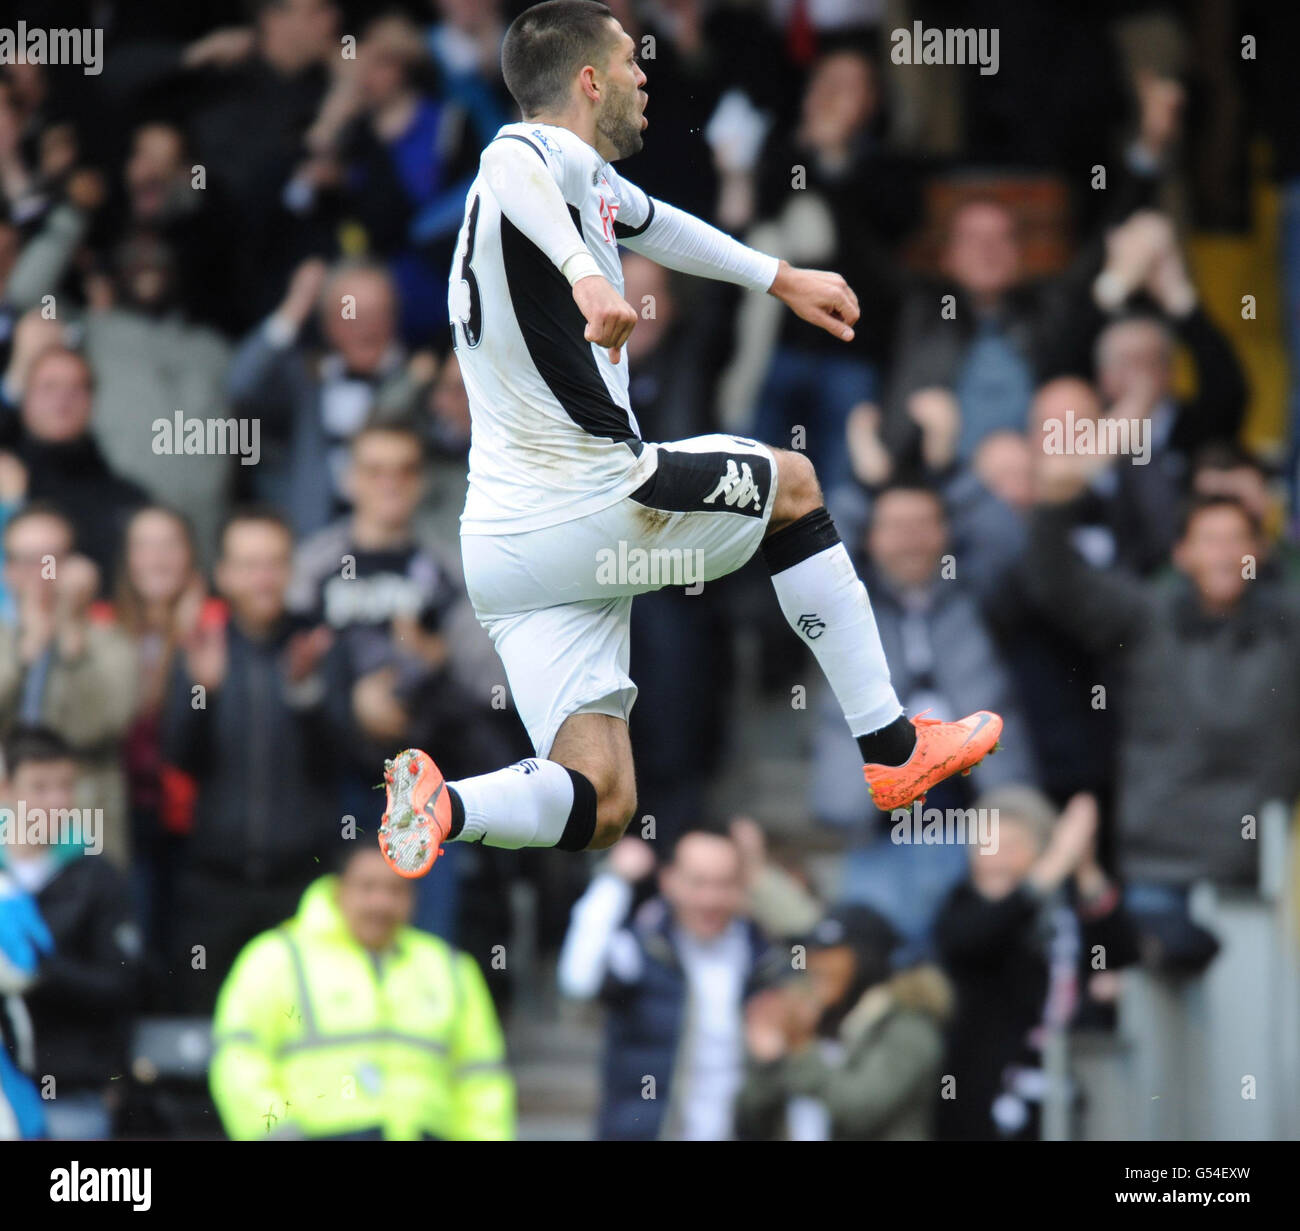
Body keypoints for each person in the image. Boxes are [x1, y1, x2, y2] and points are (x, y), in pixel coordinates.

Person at [378, 0, 1003, 880]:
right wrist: (587, 277)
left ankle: (447, 806)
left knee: (604, 799)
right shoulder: (531, 155)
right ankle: (894, 745)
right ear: (589, 79)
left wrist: (778, 276)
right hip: (586, 501)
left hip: (506, 553)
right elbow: (509, 163)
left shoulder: (581, 181)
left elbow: (659, 222)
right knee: (794, 483)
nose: (645, 76)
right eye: (632, 61)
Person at [209, 842, 513, 1140]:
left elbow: (482, 1083)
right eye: (367, 887)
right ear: (338, 890)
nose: (381, 903)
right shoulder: (276, 957)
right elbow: (239, 1060)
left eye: (396, 890)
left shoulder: (451, 968)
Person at [557, 828, 776, 1140]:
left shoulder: (762, 957)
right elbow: (578, 981)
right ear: (668, 880)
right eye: (698, 882)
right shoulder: (641, 948)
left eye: (725, 883)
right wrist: (613, 881)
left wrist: (760, 869)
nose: (710, 899)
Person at [0, 726, 143, 1140]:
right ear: (6, 789)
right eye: (40, 788)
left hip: (71, 1092)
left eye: (65, 787)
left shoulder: (99, 877)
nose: (56, 802)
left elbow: (121, 985)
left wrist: (41, 974)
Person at [736, 905, 952, 1141]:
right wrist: (770, 1062)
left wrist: (799, 1050)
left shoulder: (909, 1030)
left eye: (831, 953)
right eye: (814, 951)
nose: (816, 963)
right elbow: (751, 1118)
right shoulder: (809, 1018)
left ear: (866, 957)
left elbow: (859, 1110)